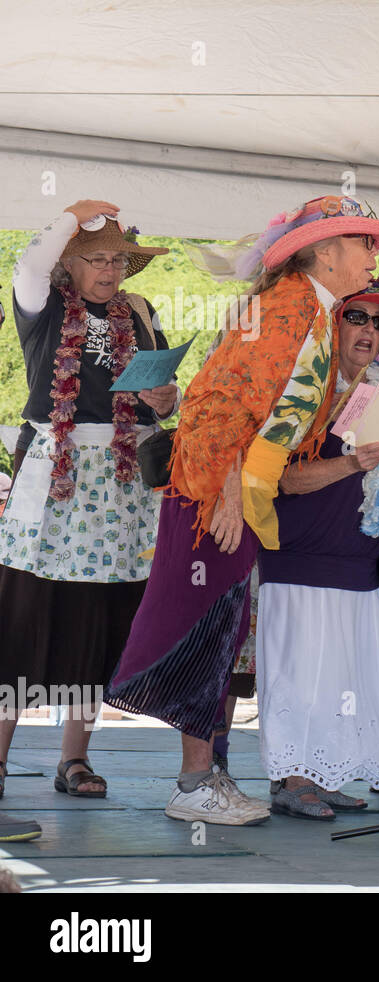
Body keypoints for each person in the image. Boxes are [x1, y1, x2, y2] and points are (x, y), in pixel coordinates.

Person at [106, 195, 379, 826]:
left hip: (230, 494)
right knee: (202, 629)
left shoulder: (312, 312)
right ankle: (193, 784)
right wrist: (230, 492)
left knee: (218, 631)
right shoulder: (290, 306)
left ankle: (202, 777)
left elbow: (275, 416)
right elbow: (220, 405)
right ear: (325, 251)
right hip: (213, 496)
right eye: (365, 243)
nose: (374, 256)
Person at [0, 200, 174, 829]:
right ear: (68, 266)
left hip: (121, 481)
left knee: (94, 616)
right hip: (55, 475)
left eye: (118, 259)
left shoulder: (142, 313)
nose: (110, 269)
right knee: (25, 611)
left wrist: (164, 395)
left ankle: (73, 759)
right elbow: (30, 262)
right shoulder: (43, 309)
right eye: (96, 258)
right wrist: (70, 216)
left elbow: (160, 396)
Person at [257, 277, 379, 819]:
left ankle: (323, 772)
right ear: (335, 324)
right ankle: (293, 779)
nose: (369, 331)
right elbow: (281, 478)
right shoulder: (304, 387)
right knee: (300, 675)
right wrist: (352, 461)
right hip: (299, 558)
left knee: (351, 676)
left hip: (358, 564)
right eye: (358, 317)